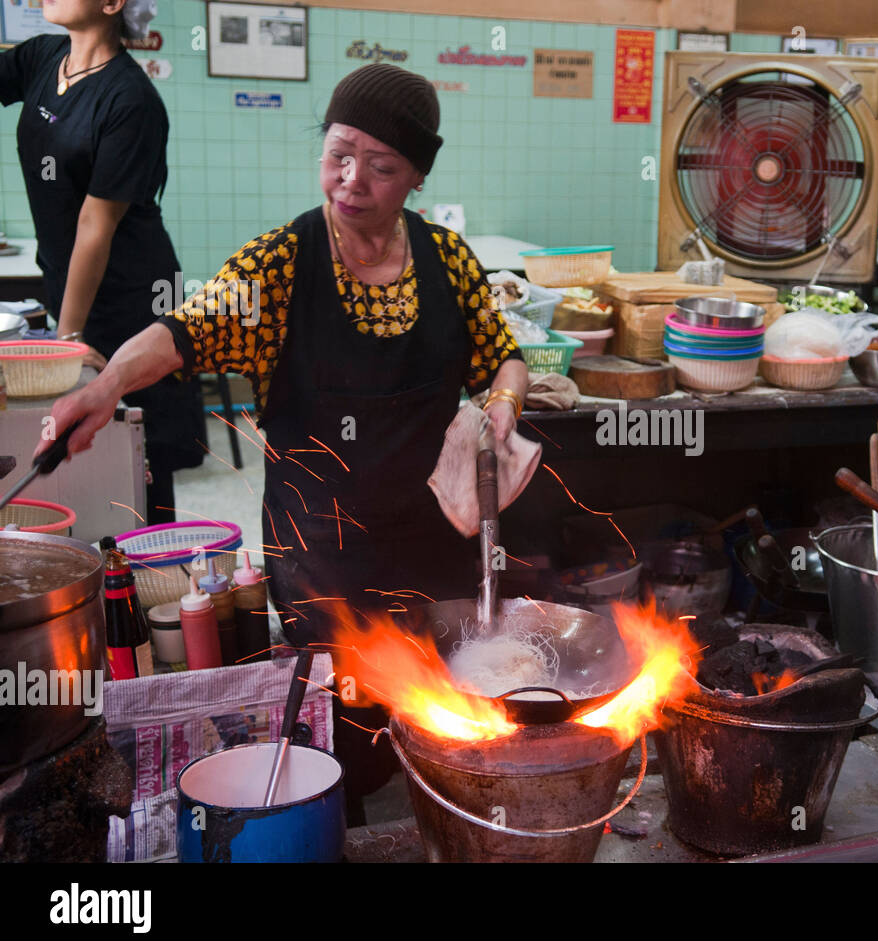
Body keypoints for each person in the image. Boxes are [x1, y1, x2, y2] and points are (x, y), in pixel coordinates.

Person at [40, 63, 529, 821]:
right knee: (345, 749)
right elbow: (181, 332)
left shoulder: (448, 262)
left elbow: (503, 352)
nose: (352, 179)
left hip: (434, 558)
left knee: (451, 727)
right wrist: (103, 388)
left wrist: (501, 405)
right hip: (323, 560)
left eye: (381, 165)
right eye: (338, 153)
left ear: (416, 179)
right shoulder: (279, 264)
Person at [0, 0, 205, 523]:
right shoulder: (46, 57)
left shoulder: (131, 99)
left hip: (133, 297)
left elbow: (96, 227)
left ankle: (148, 579)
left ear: (112, 3)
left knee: (137, 453)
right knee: (74, 449)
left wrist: (66, 343)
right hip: (67, 282)